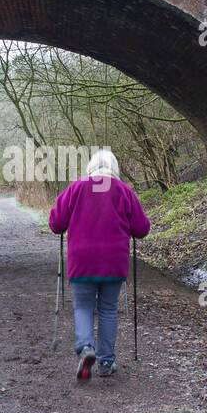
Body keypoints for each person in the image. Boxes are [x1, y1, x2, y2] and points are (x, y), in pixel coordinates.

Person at [48, 149, 151, 380]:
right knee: (108, 309)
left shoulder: (75, 188)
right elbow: (142, 229)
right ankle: (106, 362)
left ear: (90, 167)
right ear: (114, 168)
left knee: (83, 306)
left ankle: (86, 348)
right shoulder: (125, 191)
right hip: (114, 262)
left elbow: (56, 224)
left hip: (82, 260)